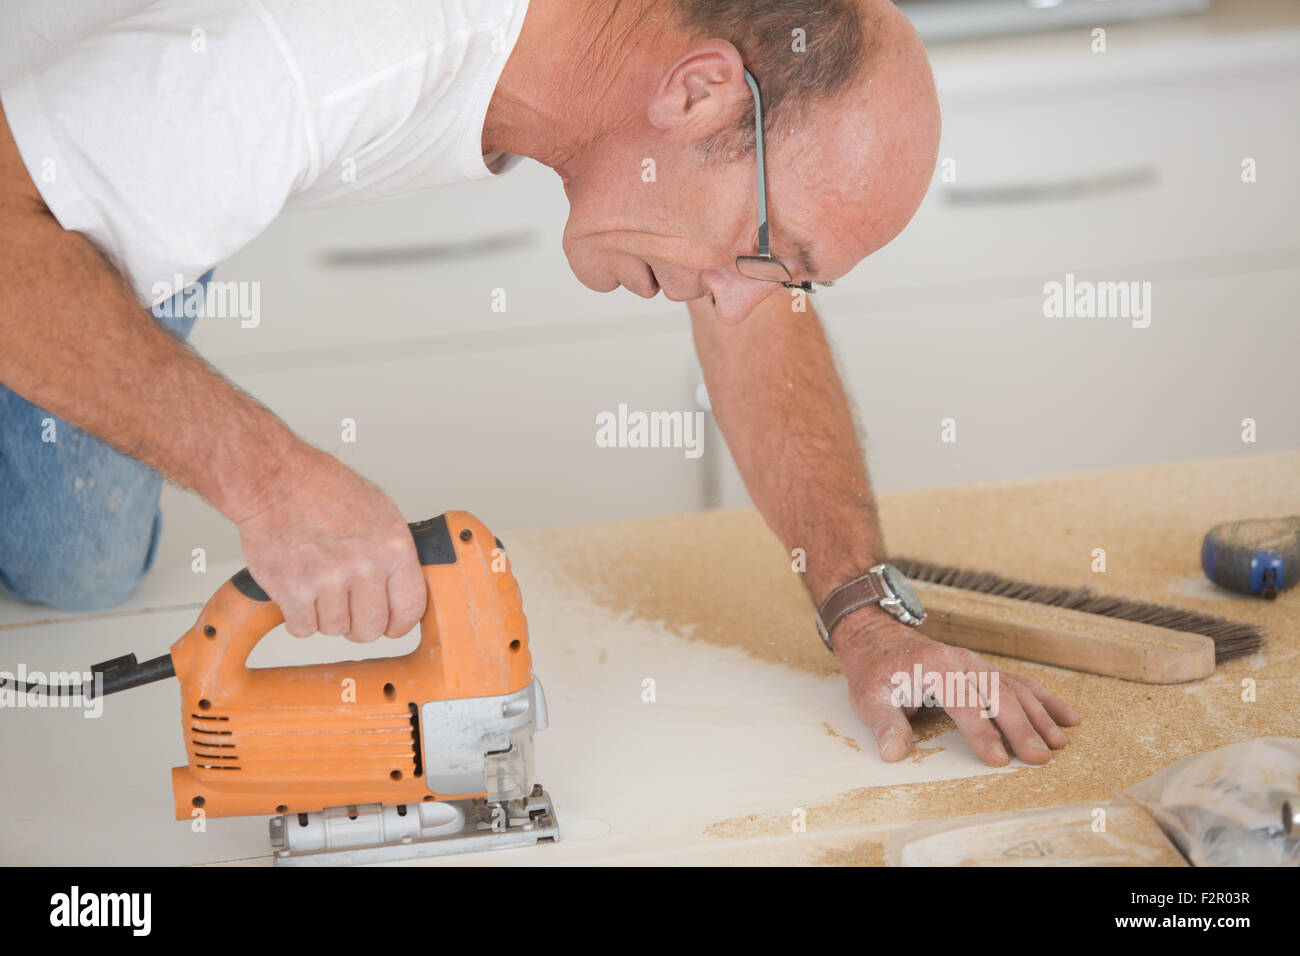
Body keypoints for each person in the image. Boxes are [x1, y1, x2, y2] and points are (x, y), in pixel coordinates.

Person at [0, 0, 1078, 765]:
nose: (754, 298)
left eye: (793, 275)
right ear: (699, 91)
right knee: (78, 564)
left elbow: (745, 311)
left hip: (108, 149)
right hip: (25, 201)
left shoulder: (669, 66)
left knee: (75, 573)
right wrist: (271, 478)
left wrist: (864, 612)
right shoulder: (342, 44)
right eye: (771, 251)